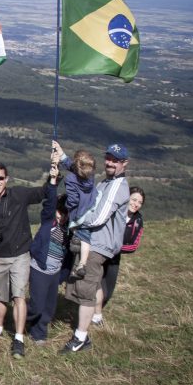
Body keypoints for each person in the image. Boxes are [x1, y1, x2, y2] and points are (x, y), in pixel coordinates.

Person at [0, 157, 49, 360]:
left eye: (0, 178)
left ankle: (18, 337)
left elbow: (42, 193)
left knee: (18, 296)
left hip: (20, 254)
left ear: (7, 178)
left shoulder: (19, 195)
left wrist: (54, 176)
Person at [61, 143, 131, 354]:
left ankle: (81, 338)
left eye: (115, 160)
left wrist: (76, 221)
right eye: (108, 158)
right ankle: (97, 317)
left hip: (97, 245)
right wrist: (64, 157)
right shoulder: (106, 182)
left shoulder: (118, 186)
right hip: (94, 242)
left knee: (85, 289)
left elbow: (99, 217)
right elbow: (82, 176)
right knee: (93, 283)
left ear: (124, 163)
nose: (110, 162)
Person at [25, 161, 71, 345]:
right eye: (59, 212)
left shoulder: (69, 230)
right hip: (39, 269)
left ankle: (39, 334)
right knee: (36, 305)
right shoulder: (48, 222)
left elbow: (69, 255)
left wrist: (63, 274)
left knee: (49, 308)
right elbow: (50, 203)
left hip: (55, 272)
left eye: (64, 214)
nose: (60, 216)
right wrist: (53, 182)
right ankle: (24, 318)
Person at [96, 186, 145, 324]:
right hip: (100, 252)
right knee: (96, 285)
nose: (136, 204)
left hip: (114, 257)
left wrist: (114, 247)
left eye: (139, 202)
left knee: (108, 292)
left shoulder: (138, 220)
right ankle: (95, 315)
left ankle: (96, 311)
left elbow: (134, 245)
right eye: (134, 199)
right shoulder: (115, 212)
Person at [53, 143, 97, 280]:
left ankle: (81, 264)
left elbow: (73, 201)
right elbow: (73, 167)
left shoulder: (71, 179)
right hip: (91, 208)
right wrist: (61, 154)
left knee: (83, 238)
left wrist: (64, 205)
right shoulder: (89, 176)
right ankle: (79, 261)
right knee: (85, 236)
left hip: (79, 214)